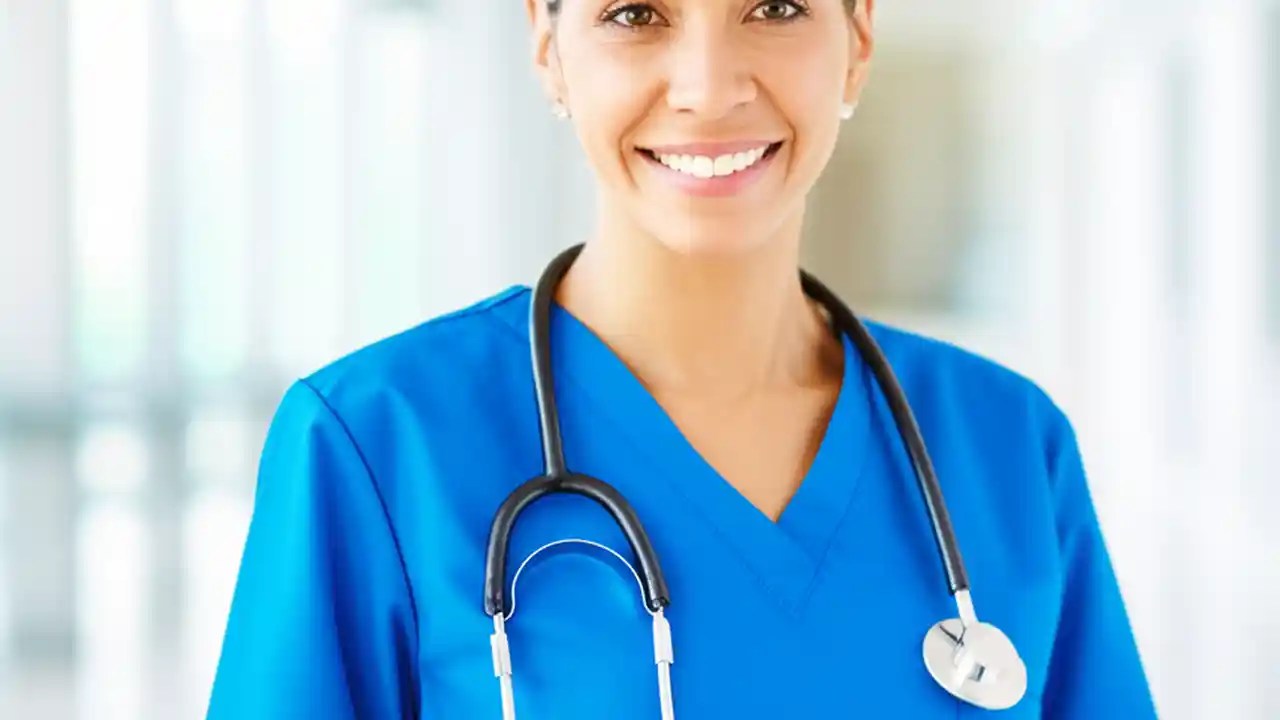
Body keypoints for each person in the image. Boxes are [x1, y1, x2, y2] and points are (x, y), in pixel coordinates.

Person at [206, 0, 1157, 717]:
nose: (708, 86)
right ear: (548, 42)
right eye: (635, 14)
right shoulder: (376, 444)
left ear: (859, 35)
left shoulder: (1007, 445)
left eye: (775, 7)